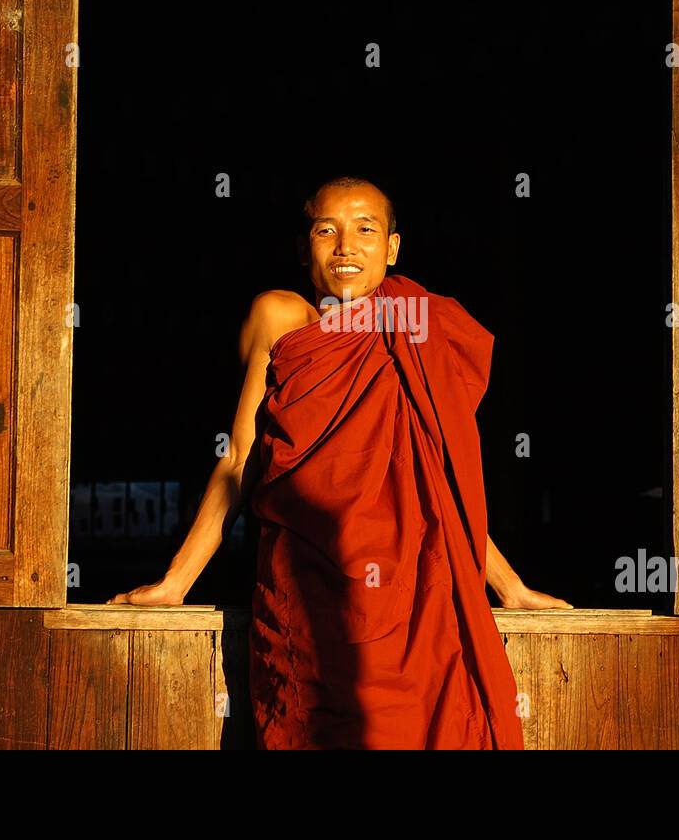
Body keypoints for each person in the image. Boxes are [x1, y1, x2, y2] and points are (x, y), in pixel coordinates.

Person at [109, 176, 571, 748]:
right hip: (307, 589)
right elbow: (240, 457)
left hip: (414, 598)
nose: (346, 246)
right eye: (327, 231)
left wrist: (508, 585)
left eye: (365, 230)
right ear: (305, 249)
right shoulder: (281, 317)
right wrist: (176, 581)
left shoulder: (416, 325)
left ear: (393, 248)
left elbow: (439, 490)